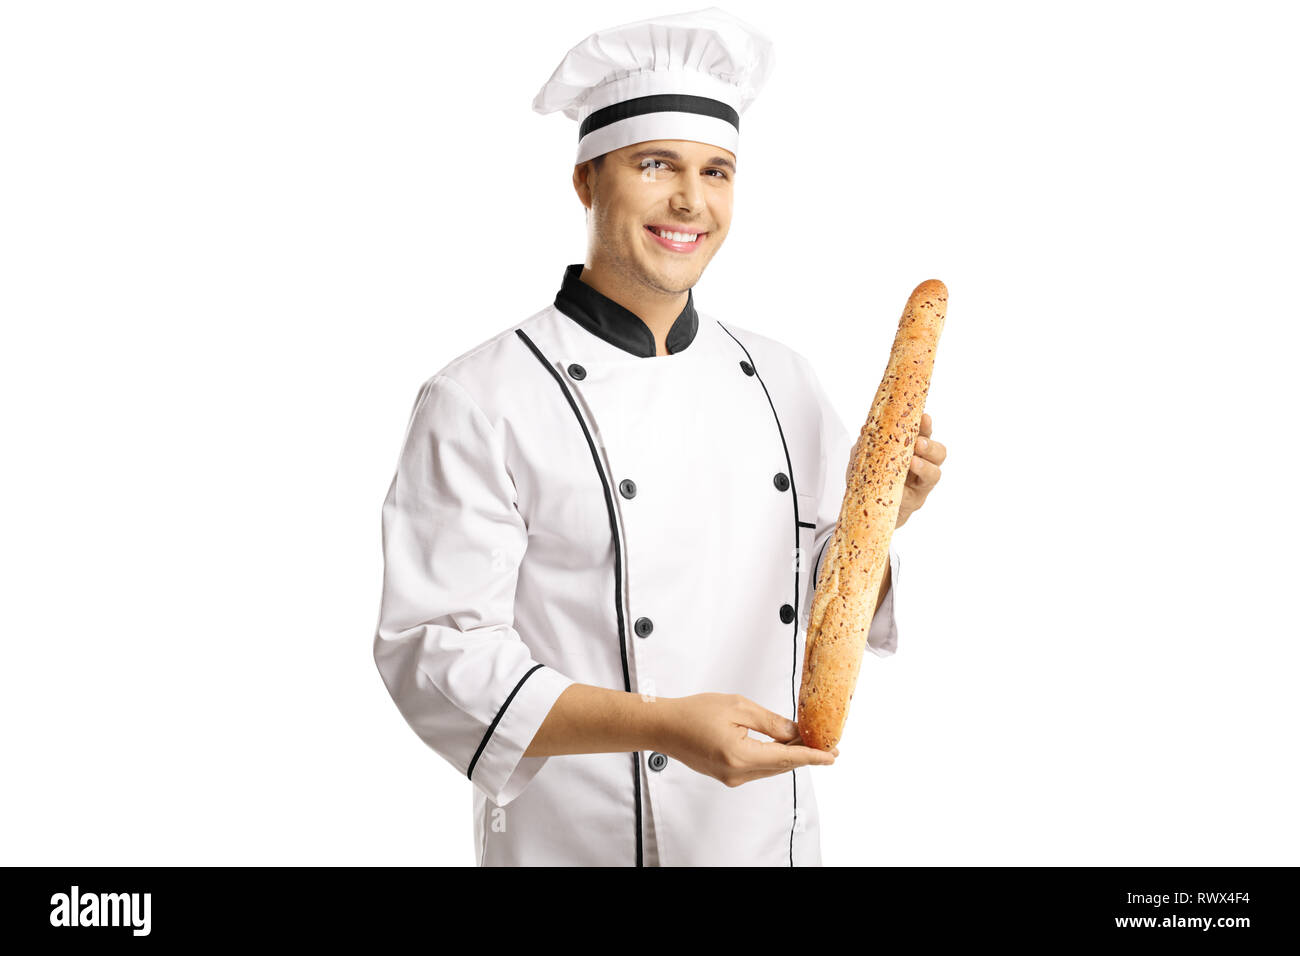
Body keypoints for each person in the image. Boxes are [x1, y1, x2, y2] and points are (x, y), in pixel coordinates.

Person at [372, 6, 947, 866]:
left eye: (718, 172)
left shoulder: (783, 377)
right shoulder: (480, 397)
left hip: (771, 846)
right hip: (580, 847)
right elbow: (436, 655)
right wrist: (661, 728)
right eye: (656, 165)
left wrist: (883, 523)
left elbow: (812, 591)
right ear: (586, 180)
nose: (691, 201)